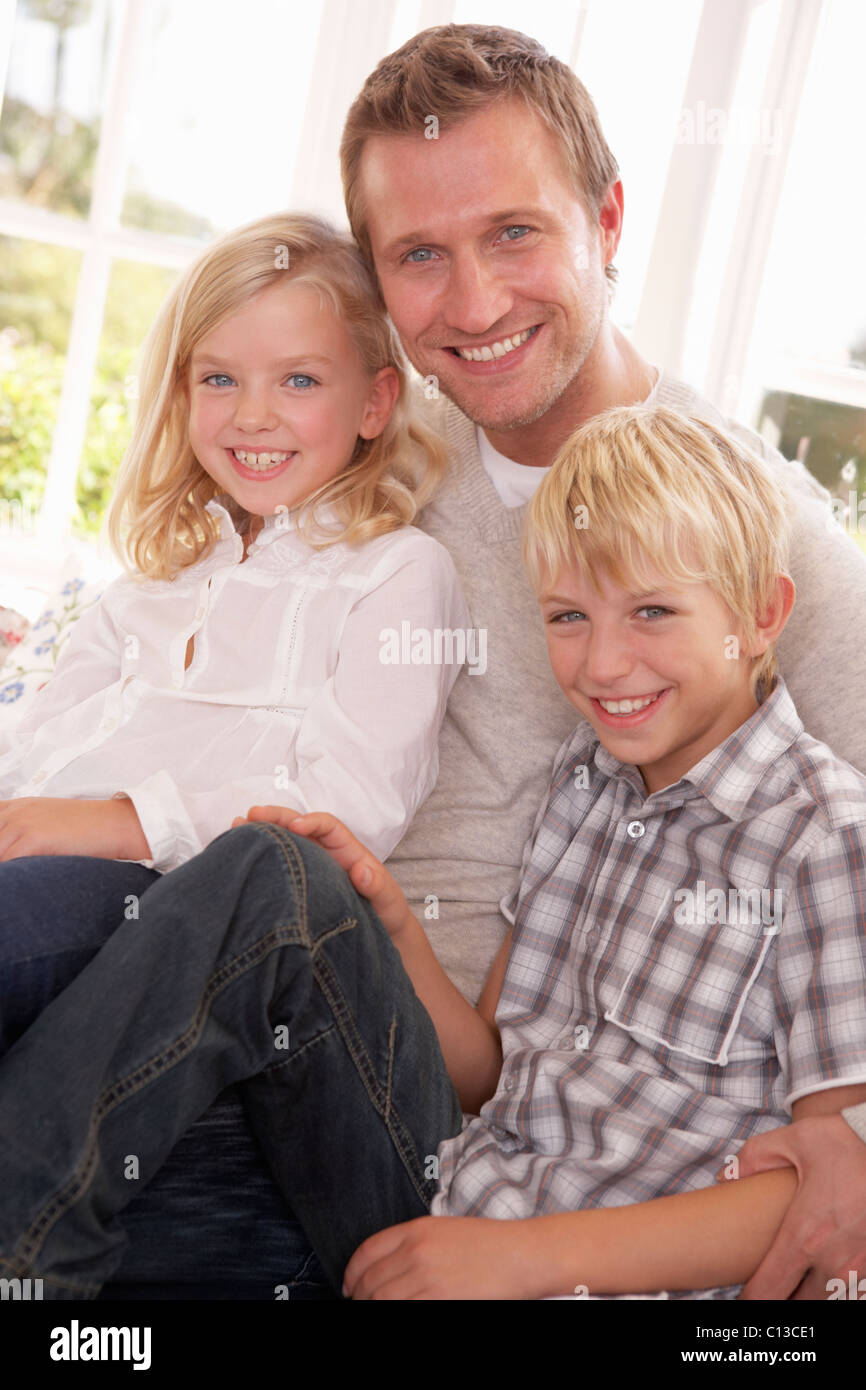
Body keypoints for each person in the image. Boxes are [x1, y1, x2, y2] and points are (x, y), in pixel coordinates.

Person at [7, 23, 866, 1296]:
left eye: (514, 233)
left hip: (417, 1130)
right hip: (242, 1022)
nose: (471, 306)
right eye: (419, 255)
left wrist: (840, 1130)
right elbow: (186, 623)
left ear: (607, 219)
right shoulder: (366, 439)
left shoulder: (749, 532)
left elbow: (836, 889)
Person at [2, 404, 865, 1301]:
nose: (605, 664)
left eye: (653, 611)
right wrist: (391, 933)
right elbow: (491, 1073)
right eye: (569, 616)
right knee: (277, 865)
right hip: (437, 1198)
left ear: (763, 613)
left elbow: (825, 1202)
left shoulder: (827, 841)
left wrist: (521, 1261)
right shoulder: (589, 782)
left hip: (566, 1275)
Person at [0, 211, 468, 1050]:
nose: (253, 416)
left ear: (374, 401)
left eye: (298, 381)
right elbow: (41, 737)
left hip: (161, 903)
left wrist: (100, 823)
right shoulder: (156, 572)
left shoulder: (395, 573)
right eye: (219, 380)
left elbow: (343, 812)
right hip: (32, 853)